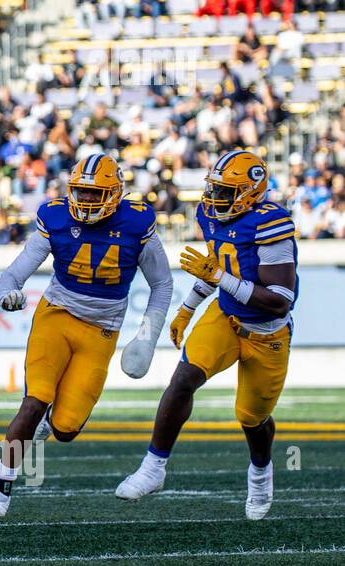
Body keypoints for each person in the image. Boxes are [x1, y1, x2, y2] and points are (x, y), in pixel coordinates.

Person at [0, 153, 172, 518]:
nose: (84, 202)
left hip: (102, 329)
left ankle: (49, 425)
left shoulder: (136, 221)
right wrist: (8, 295)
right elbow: (12, 275)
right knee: (34, 399)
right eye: (80, 193)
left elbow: (162, 284)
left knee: (66, 429)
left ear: (115, 194)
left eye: (93, 194)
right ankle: (1, 488)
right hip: (57, 315)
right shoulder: (54, 216)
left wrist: (146, 336)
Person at [116, 150, 297, 520]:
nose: (215, 198)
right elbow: (217, 267)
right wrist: (187, 308)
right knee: (182, 379)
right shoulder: (211, 216)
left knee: (252, 417)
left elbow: (279, 300)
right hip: (226, 317)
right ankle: (154, 468)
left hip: (267, 333)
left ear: (250, 191)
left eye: (226, 191)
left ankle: (260, 474)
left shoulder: (271, 224)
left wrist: (220, 280)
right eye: (215, 188)